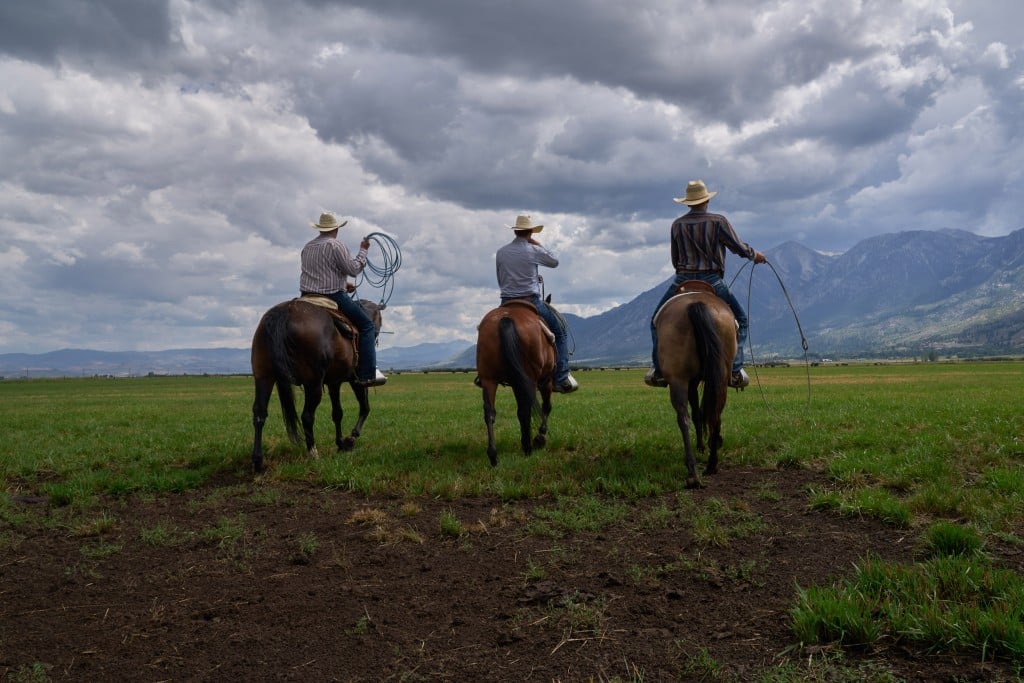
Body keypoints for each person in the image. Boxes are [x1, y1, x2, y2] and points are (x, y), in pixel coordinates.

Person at [646, 180, 765, 389]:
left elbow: (675, 259)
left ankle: (659, 370)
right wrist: (755, 255)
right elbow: (737, 246)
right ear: (706, 200)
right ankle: (735, 369)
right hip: (712, 280)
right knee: (742, 321)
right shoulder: (719, 221)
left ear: (688, 203)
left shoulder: (677, 225)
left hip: (682, 280)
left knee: (655, 322)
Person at [299, 211, 387, 387]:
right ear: (336, 228)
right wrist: (364, 250)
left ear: (320, 229)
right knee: (367, 326)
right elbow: (354, 269)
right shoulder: (336, 245)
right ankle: (366, 374)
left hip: (306, 296)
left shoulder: (307, 247)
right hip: (333, 296)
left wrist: (343, 283)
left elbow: (320, 273)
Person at [495, 215, 578, 393]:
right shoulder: (533, 250)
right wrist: (538, 244)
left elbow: (500, 278)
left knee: (488, 331)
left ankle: (486, 372)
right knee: (560, 332)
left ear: (515, 231)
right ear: (530, 231)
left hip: (506, 302)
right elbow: (554, 262)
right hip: (530, 301)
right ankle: (561, 377)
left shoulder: (501, 252)